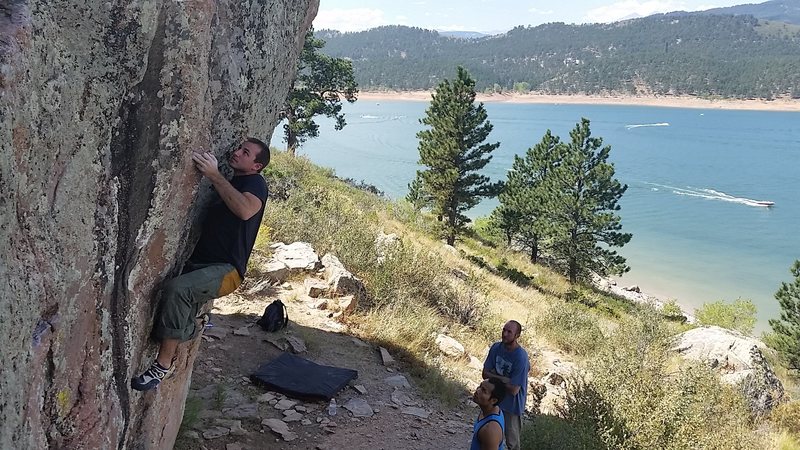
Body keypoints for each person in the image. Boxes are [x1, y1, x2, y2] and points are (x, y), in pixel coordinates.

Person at [131, 138, 270, 391]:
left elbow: (246, 211)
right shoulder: (236, 182)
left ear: (256, 166)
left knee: (178, 290)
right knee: (171, 304)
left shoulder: (255, 183)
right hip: (202, 264)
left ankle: (161, 367)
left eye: (245, 152)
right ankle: (193, 326)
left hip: (227, 270)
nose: (237, 152)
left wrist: (215, 176)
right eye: (239, 147)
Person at [482, 320, 529, 450]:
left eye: (509, 332)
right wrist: (504, 379)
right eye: (504, 330)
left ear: (517, 335)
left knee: (512, 444)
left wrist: (494, 376)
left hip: (512, 406)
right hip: (494, 401)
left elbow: (514, 389)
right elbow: (485, 374)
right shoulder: (496, 348)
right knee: (489, 438)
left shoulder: (521, 357)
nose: (505, 334)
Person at [471, 377, 507, 450]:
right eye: (480, 386)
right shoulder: (492, 409)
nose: (478, 391)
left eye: (484, 391)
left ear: (493, 400)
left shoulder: (490, 429)